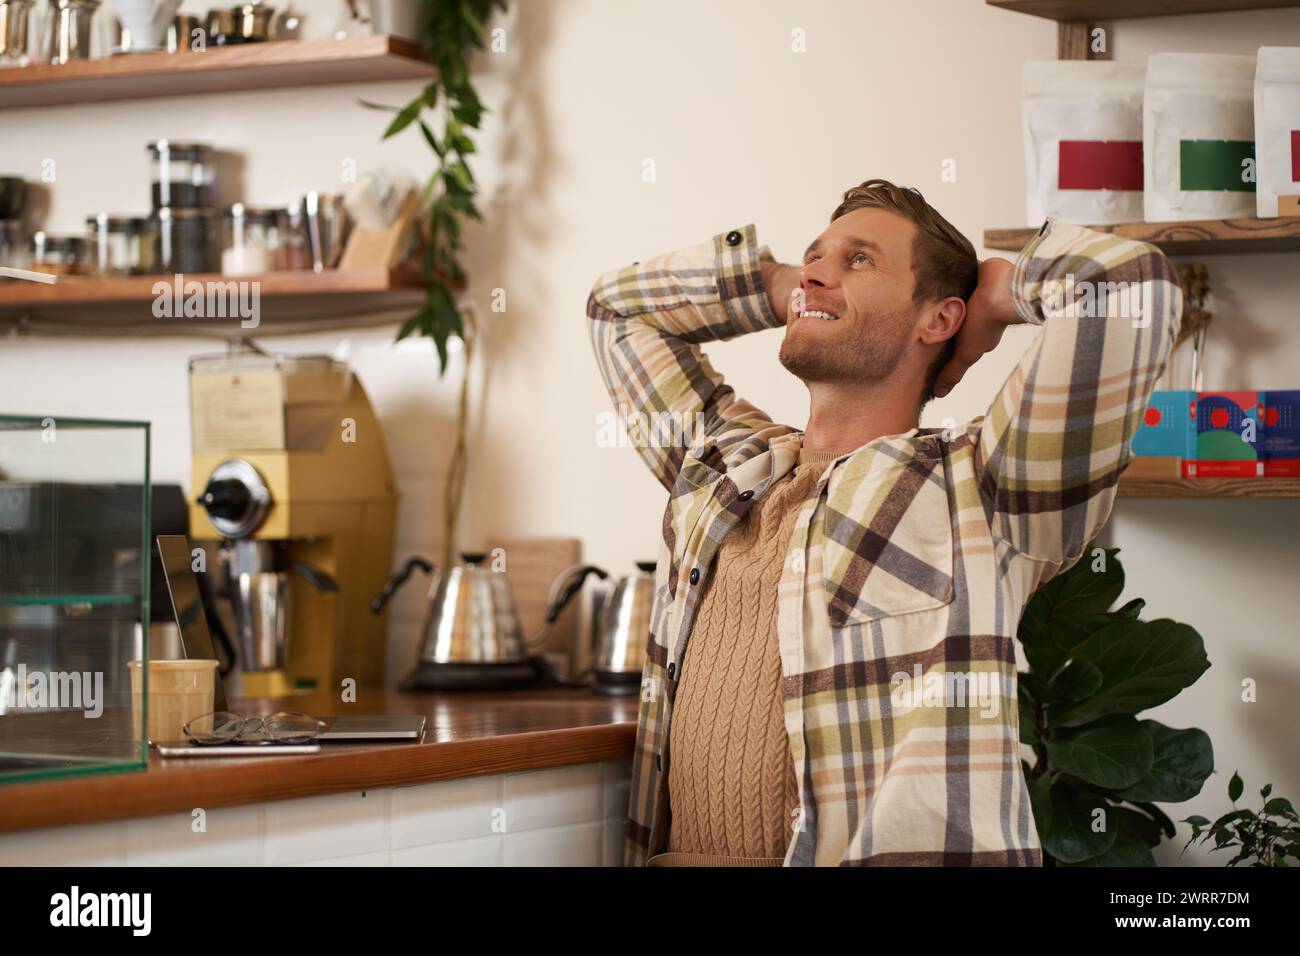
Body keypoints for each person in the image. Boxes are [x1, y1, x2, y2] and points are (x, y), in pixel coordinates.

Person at [586, 179, 1182, 866]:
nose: (820, 269)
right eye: (818, 255)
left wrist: (995, 292)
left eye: (859, 259)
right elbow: (615, 312)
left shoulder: (987, 485)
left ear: (938, 320)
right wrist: (787, 286)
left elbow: (1131, 286)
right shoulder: (725, 462)